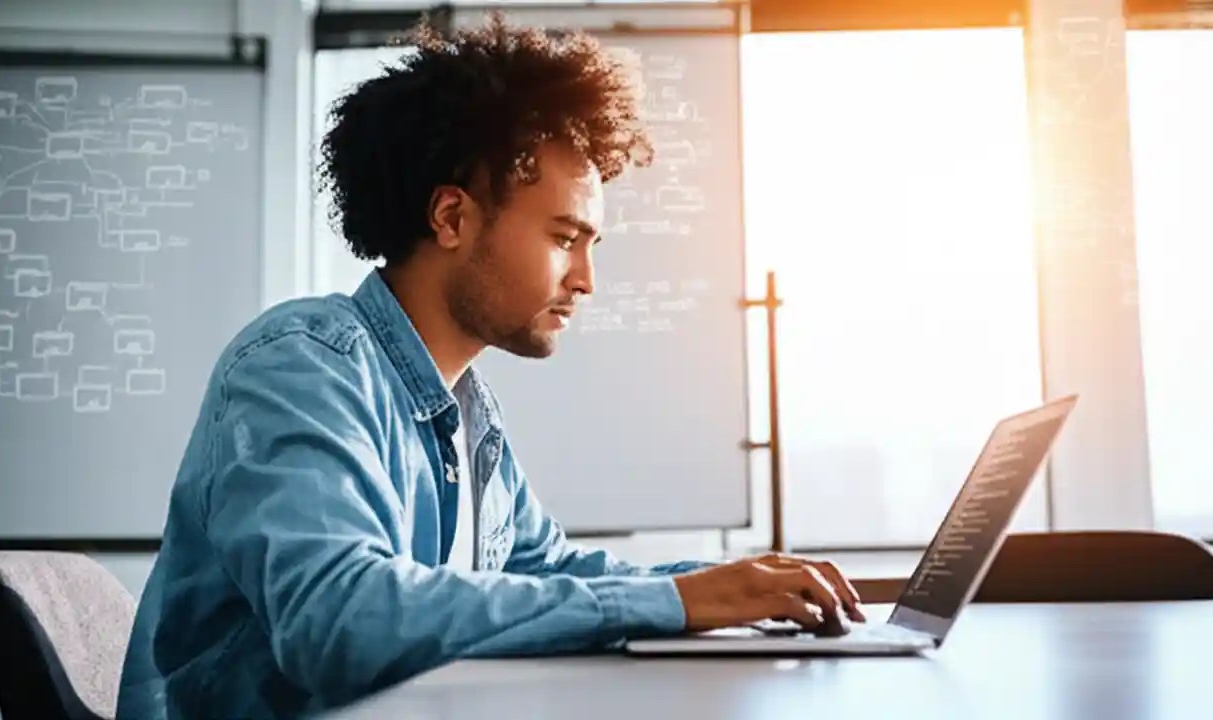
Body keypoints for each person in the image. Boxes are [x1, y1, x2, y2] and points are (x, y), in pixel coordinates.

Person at [117, 14, 865, 719]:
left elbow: (547, 574)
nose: (585, 279)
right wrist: (678, 606)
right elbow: (338, 622)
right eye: (564, 236)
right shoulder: (302, 367)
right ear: (450, 218)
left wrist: (719, 587)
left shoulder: (465, 414)